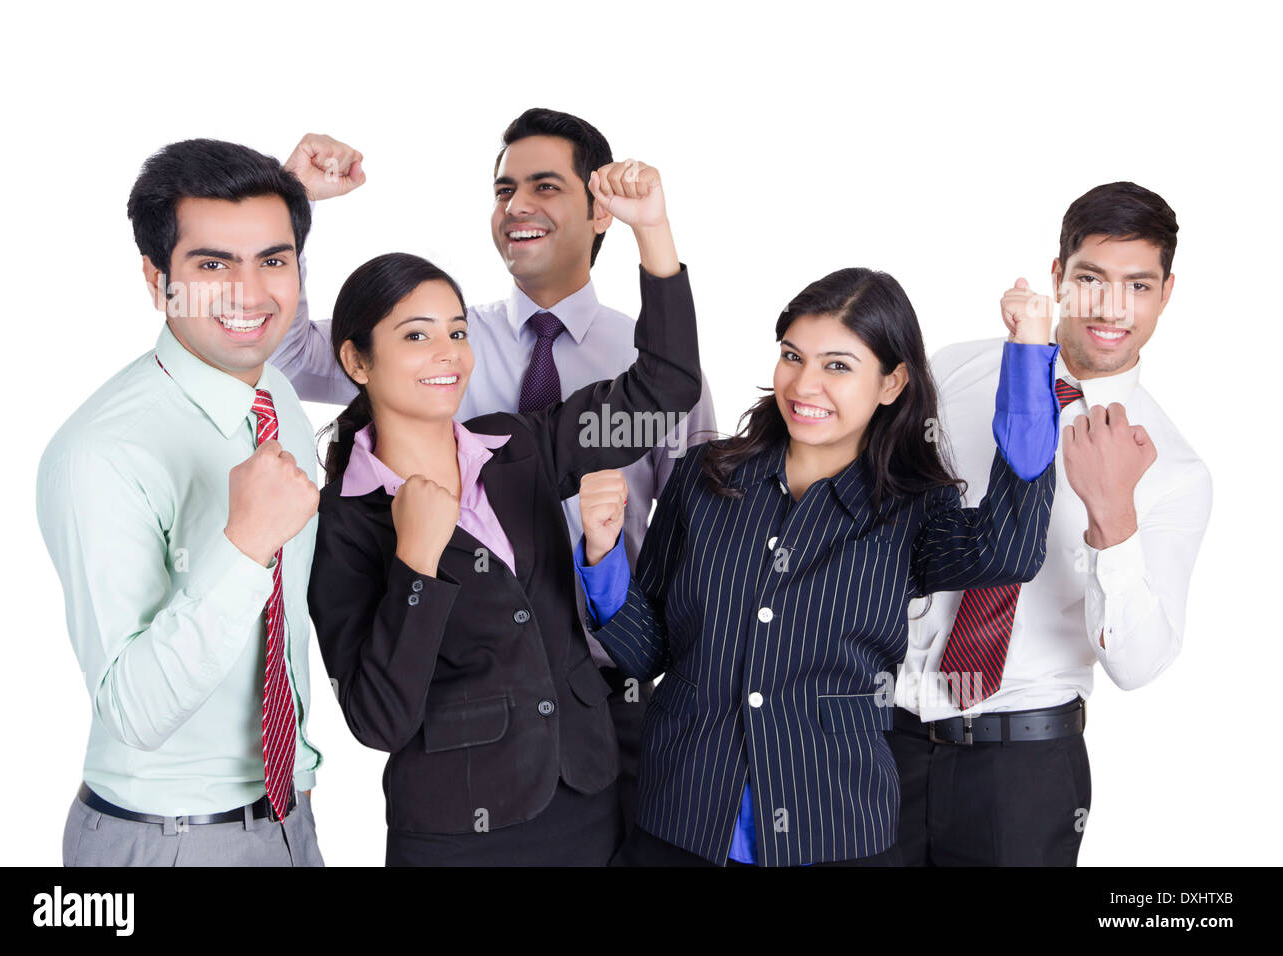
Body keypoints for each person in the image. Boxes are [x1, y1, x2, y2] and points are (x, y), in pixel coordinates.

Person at [270, 109, 717, 839]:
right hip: (462, 796)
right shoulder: (347, 516)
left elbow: (671, 393)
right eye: (504, 188)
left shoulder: (518, 442)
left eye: (451, 334)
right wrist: (288, 202)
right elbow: (287, 352)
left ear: (596, 210)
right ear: (362, 363)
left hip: (599, 737)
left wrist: (656, 229)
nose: (447, 352)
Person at [573, 266, 1061, 866]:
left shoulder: (911, 507)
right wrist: (602, 555)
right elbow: (647, 655)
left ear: (892, 383)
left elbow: (1010, 549)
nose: (804, 385)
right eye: (792, 356)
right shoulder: (707, 476)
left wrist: (1029, 355)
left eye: (837, 365)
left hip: (833, 831)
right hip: (682, 822)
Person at [887, 182, 1212, 866]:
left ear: (1167, 293)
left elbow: (1140, 663)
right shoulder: (957, 370)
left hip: (1022, 770)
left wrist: (1113, 518)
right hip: (884, 740)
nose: (1111, 308)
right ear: (1059, 274)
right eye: (1092, 279)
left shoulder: (1175, 470)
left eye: (1138, 286)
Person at [36, 139, 325, 866]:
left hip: (291, 821)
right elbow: (133, 712)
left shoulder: (276, 396)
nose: (250, 294)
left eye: (274, 260)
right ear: (157, 280)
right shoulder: (101, 453)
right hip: (167, 841)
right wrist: (244, 547)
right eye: (211, 265)